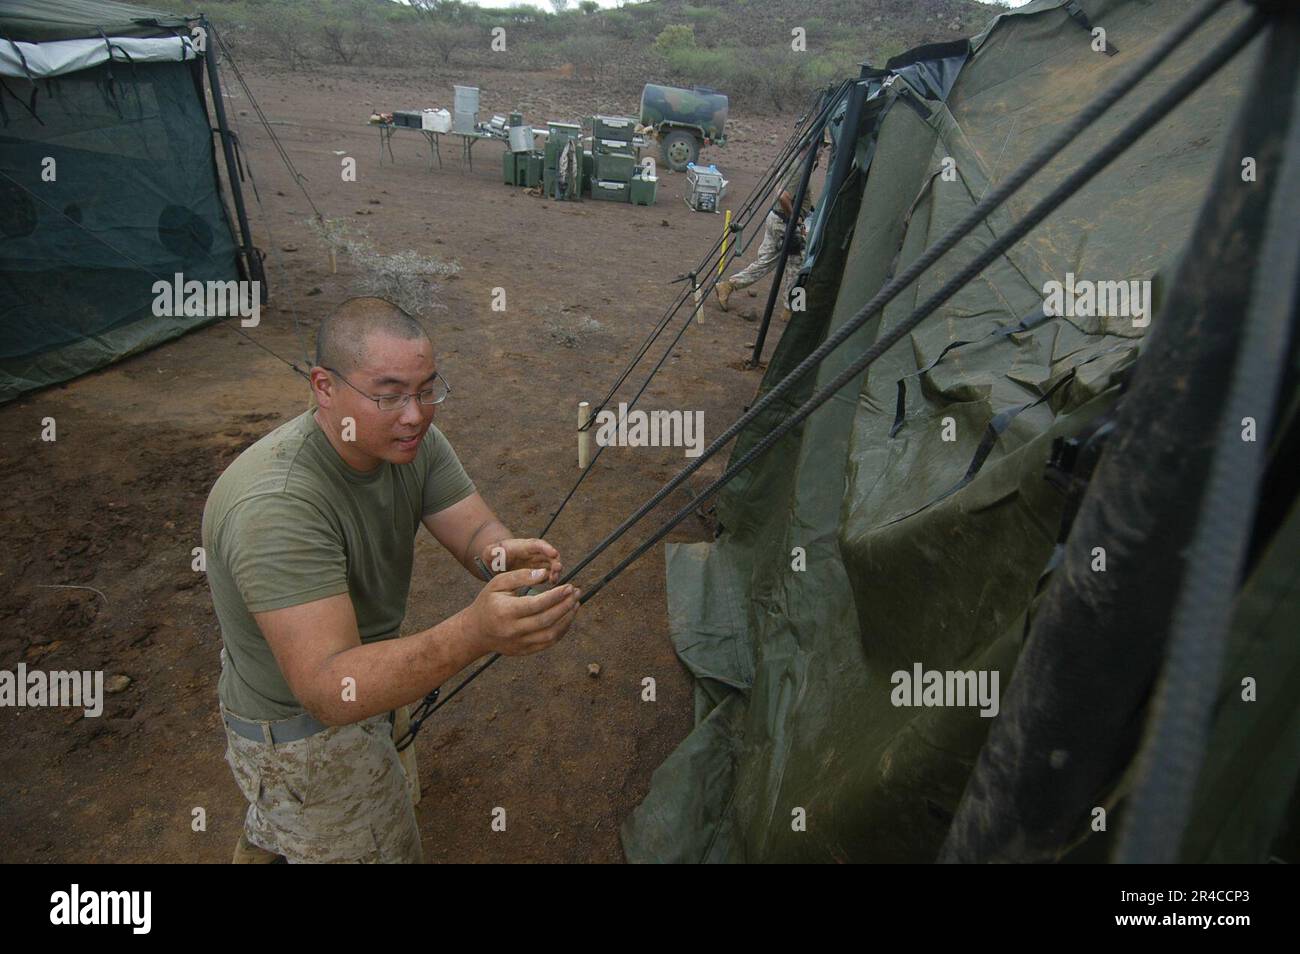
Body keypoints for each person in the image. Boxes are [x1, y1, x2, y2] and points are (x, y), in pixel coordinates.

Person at [201, 296, 580, 864]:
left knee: (303, 827)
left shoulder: (406, 440)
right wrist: (475, 633)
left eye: (428, 389)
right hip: (302, 733)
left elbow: (473, 528)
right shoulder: (276, 508)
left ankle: (279, 833)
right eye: (390, 394)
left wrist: (505, 558)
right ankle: (285, 820)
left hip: (370, 683)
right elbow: (330, 688)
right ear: (324, 387)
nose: (416, 413)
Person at [715, 148, 817, 321]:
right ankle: (791, 310)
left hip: (775, 218)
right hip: (784, 223)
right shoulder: (799, 169)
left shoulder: (792, 162)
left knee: (766, 262)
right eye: (820, 148)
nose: (821, 153)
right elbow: (783, 197)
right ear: (811, 147)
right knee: (797, 265)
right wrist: (797, 221)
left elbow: (778, 183)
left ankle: (728, 286)